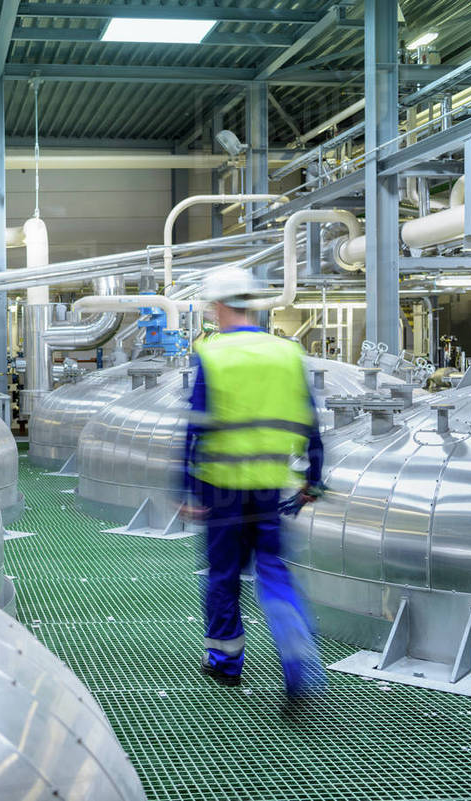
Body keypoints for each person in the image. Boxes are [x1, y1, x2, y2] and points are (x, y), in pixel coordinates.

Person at [179, 266, 326, 701]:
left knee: (223, 575)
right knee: (274, 571)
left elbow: (195, 429)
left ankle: (225, 662)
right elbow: (311, 427)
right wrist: (311, 481)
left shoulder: (212, 355)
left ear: (222, 306)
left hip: (219, 488)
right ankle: (299, 661)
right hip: (270, 486)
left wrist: (184, 488)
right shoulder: (287, 353)